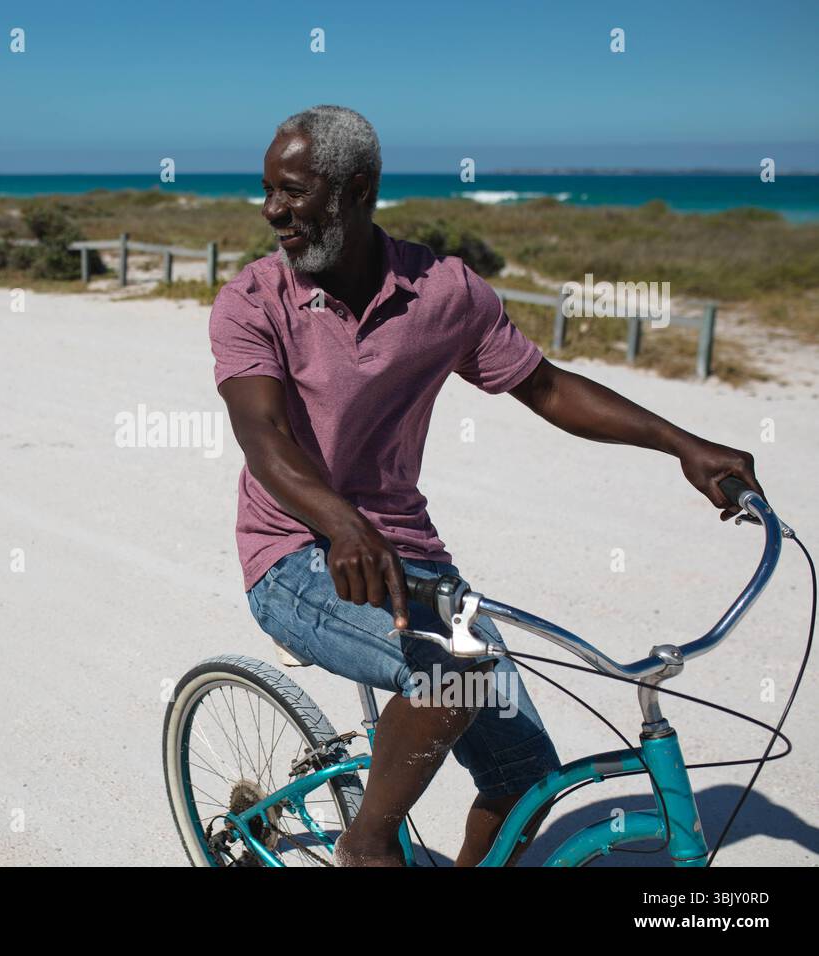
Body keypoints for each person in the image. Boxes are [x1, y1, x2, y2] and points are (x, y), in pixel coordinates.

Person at [209, 104, 765, 866]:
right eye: (268, 189)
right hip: (295, 552)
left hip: (411, 556)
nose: (273, 210)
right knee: (453, 675)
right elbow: (263, 437)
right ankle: (365, 842)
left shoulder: (445, 293)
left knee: (525, 773)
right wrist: (341, 523)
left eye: (295, 191)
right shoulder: (254, 300)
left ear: (359, 188)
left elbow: (545, 387)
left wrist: (682, 445)